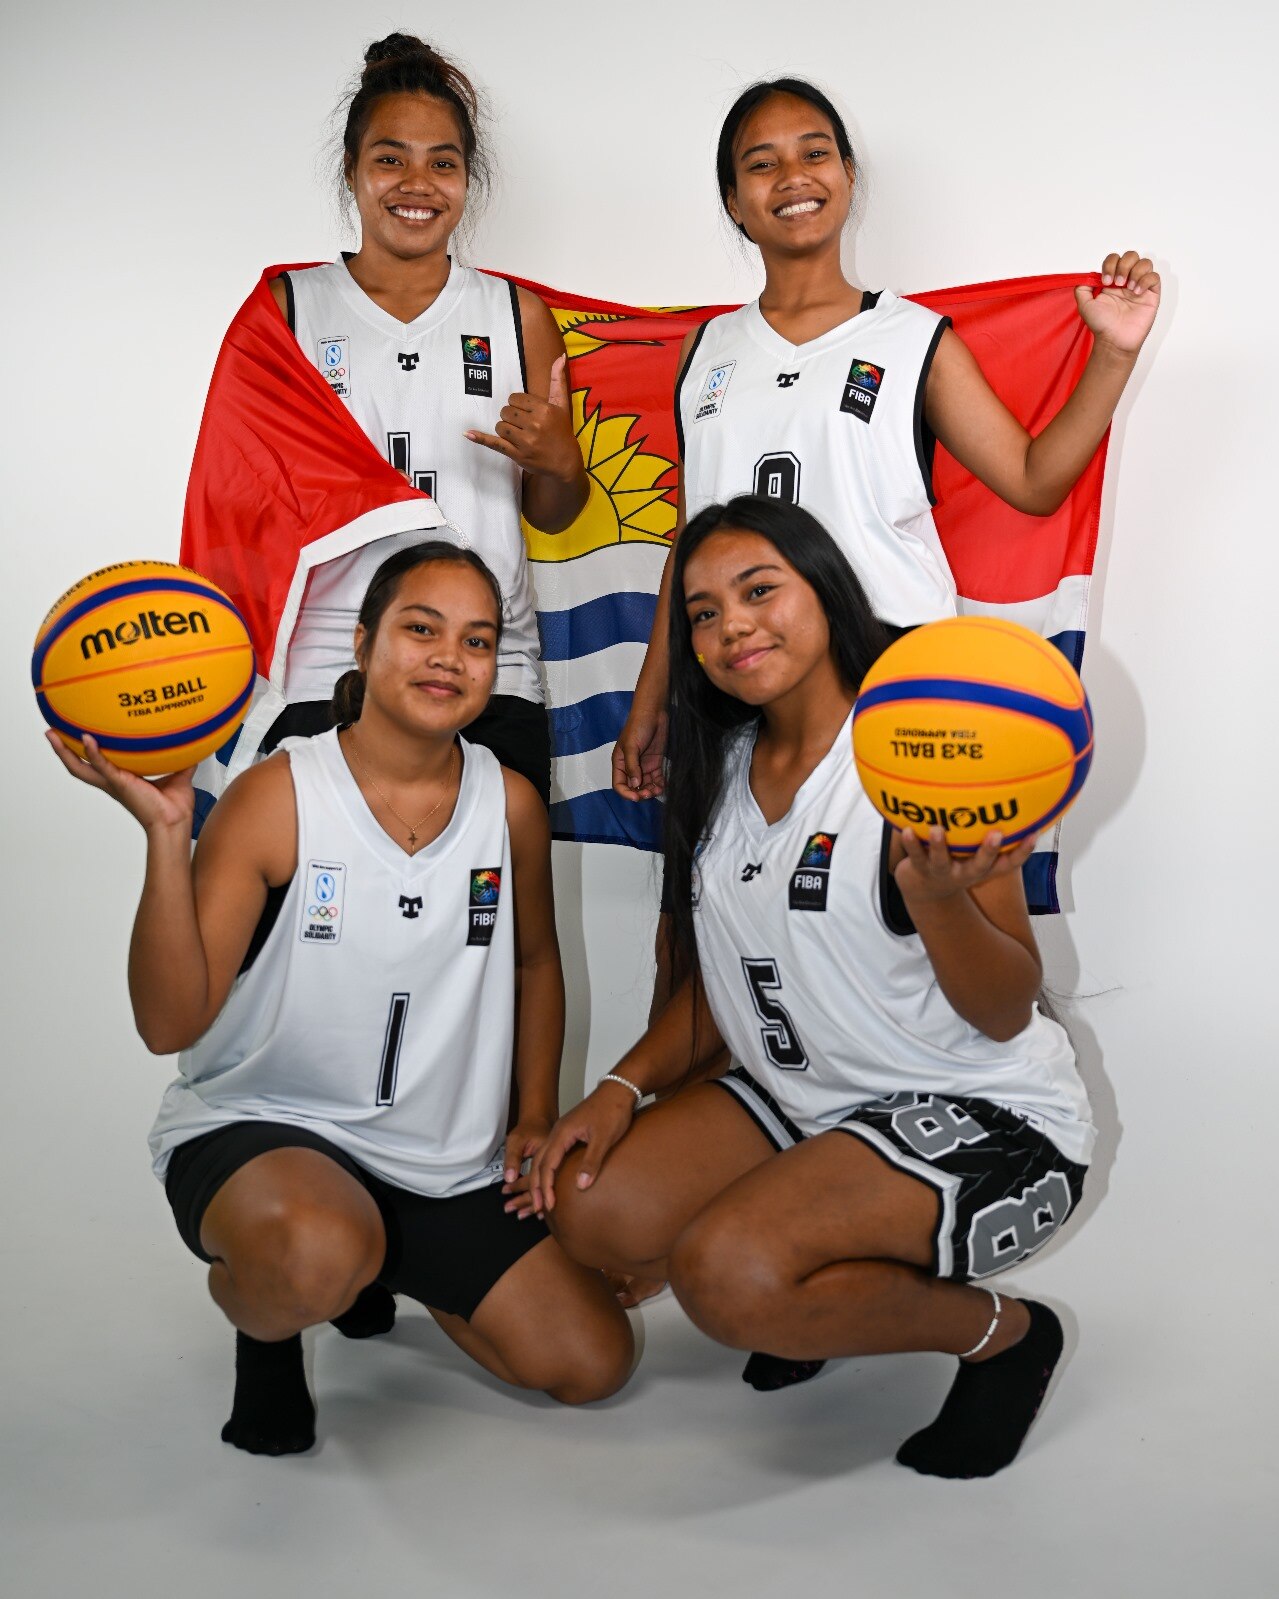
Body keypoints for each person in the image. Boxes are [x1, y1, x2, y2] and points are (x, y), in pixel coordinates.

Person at [529, 496, 1094, 1479]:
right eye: (702, 613)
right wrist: (618, 1088)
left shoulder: (921, 750)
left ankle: (1003, 1336)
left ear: (825, 593)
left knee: (726, 1277)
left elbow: (1006, 1008)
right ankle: (819, 1289)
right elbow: (729, 980)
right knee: (589, 1204)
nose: (732, 626)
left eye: (758, 591)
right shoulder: (722, 764)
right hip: (807, 1105)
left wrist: (939, 901)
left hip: (988, 1116)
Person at [48, 544, 632, 1456]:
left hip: (438, 1155)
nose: (449, 657)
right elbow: (168, 1023)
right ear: (362, 643)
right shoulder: (277, 795)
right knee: (314, 1255)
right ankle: (272, 1324)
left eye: (477, 640)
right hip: (268, 1126)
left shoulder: (510, 803)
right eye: (421, 628)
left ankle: (378, 1261)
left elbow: (533, 963)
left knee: (591, 1362)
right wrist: (167, 834)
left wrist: (532, 1111)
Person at [613, 77, 1159, 802]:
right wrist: (653, 694)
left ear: (847, 175)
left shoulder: (912, 338)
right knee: (731, 875)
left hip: (890, 680)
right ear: (734, 202)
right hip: (740, 687)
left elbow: (1033, 481)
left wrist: (1113, 353)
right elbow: (691, 540)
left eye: (815, 153)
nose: (794, 176)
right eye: (762, 163)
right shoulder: (704, 351)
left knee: (896, 875)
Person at [264, 32, 588, 800]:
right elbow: (245, 495)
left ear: (468, 178)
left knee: (492, 879)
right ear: (351, 169)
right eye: (390, 158)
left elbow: (552, 510)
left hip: (485, 665)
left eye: (443, 163)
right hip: (327, 662)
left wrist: (557, 461)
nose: (417, 183)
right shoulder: (287, 309)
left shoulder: (517, 316)